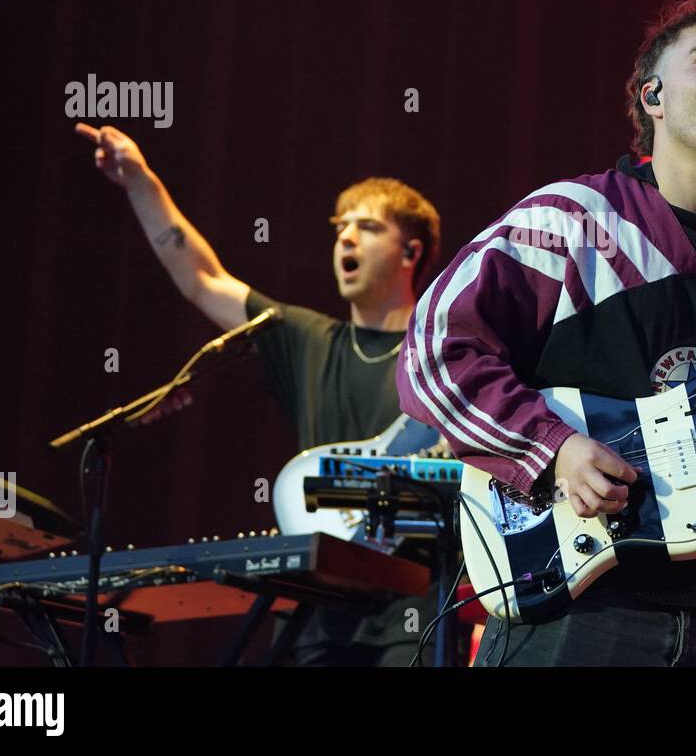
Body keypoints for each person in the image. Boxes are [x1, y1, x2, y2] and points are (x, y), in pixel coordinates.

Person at [398, 0, 696, 666]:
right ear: (653, 97)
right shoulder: (567, 222)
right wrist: (554, 449)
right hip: (574, 619)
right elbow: (433, 352)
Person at [75, 122, 443, 665]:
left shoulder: (446, 353)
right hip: (313, 613)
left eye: (365, 227)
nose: (344, 236)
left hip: (410, 616)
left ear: (410, 251)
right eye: (340, 227)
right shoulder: (308, 338)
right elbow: (202, 278)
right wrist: (141, 183)